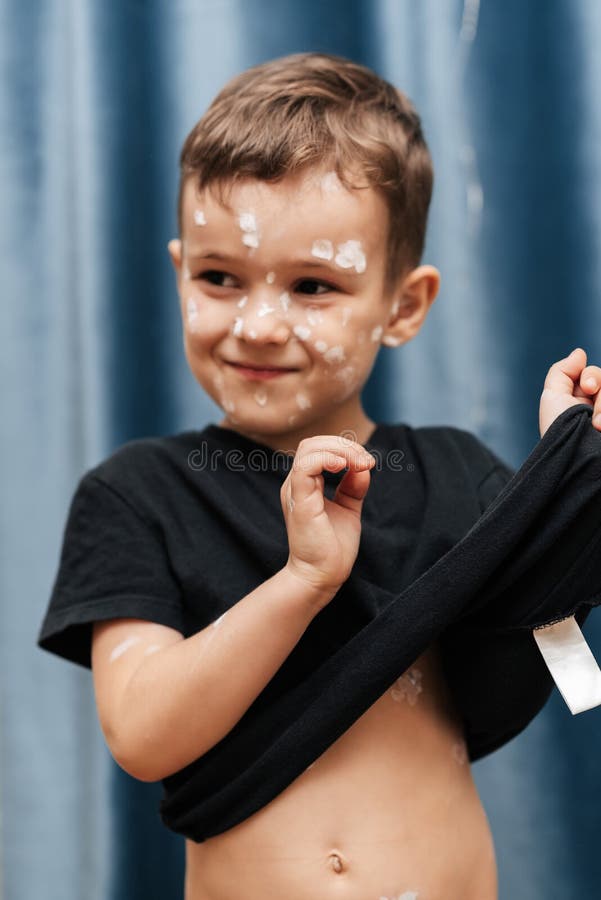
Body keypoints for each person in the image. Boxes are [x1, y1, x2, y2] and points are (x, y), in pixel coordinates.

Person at [37, 52, 601, 900]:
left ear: (402, 306)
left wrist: (568, 476)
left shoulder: (458, 475)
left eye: (312, 285)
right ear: (177, 268)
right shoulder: (137, 492)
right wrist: (302, 582)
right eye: (219, 278)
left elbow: (553, 639)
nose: (258, 325)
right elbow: (145, 737)